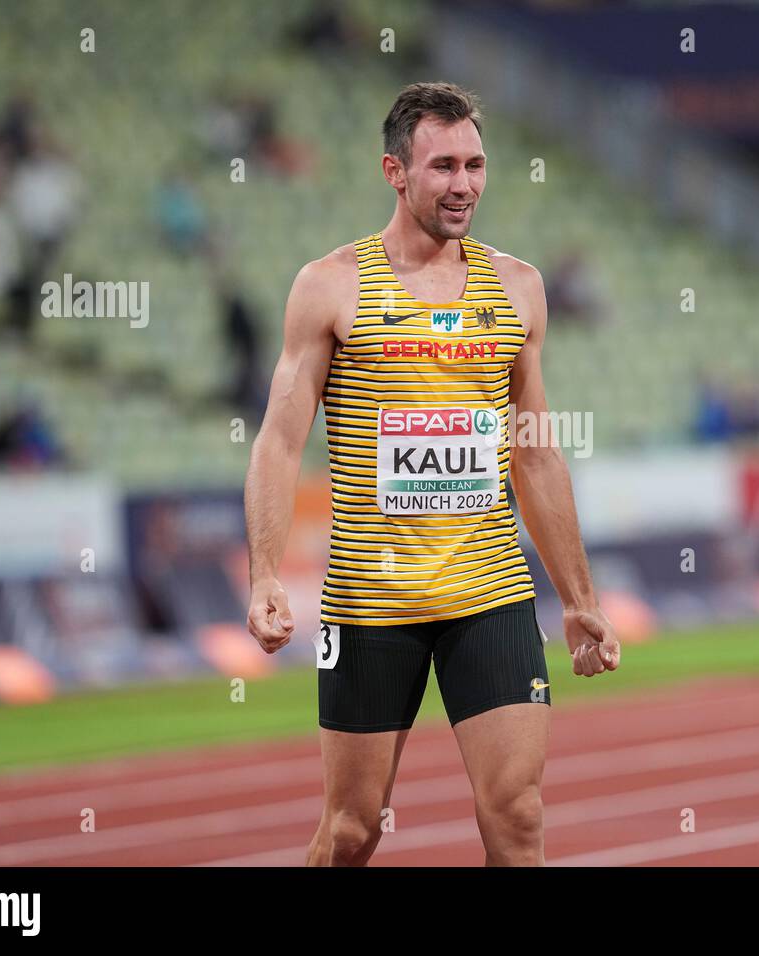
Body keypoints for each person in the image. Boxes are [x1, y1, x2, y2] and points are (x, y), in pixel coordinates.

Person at [243, 82, 620, 867]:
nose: (464, 184)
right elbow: (280, 441)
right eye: (443, 165)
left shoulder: (517, 288)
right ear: (395, 172)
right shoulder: (331, 286)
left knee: (517, 817)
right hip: (370, 600)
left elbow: (536, 453)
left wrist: (580, 600)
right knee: (351, 831)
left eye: (476, 165)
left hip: (489, 593)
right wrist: (266, 574)